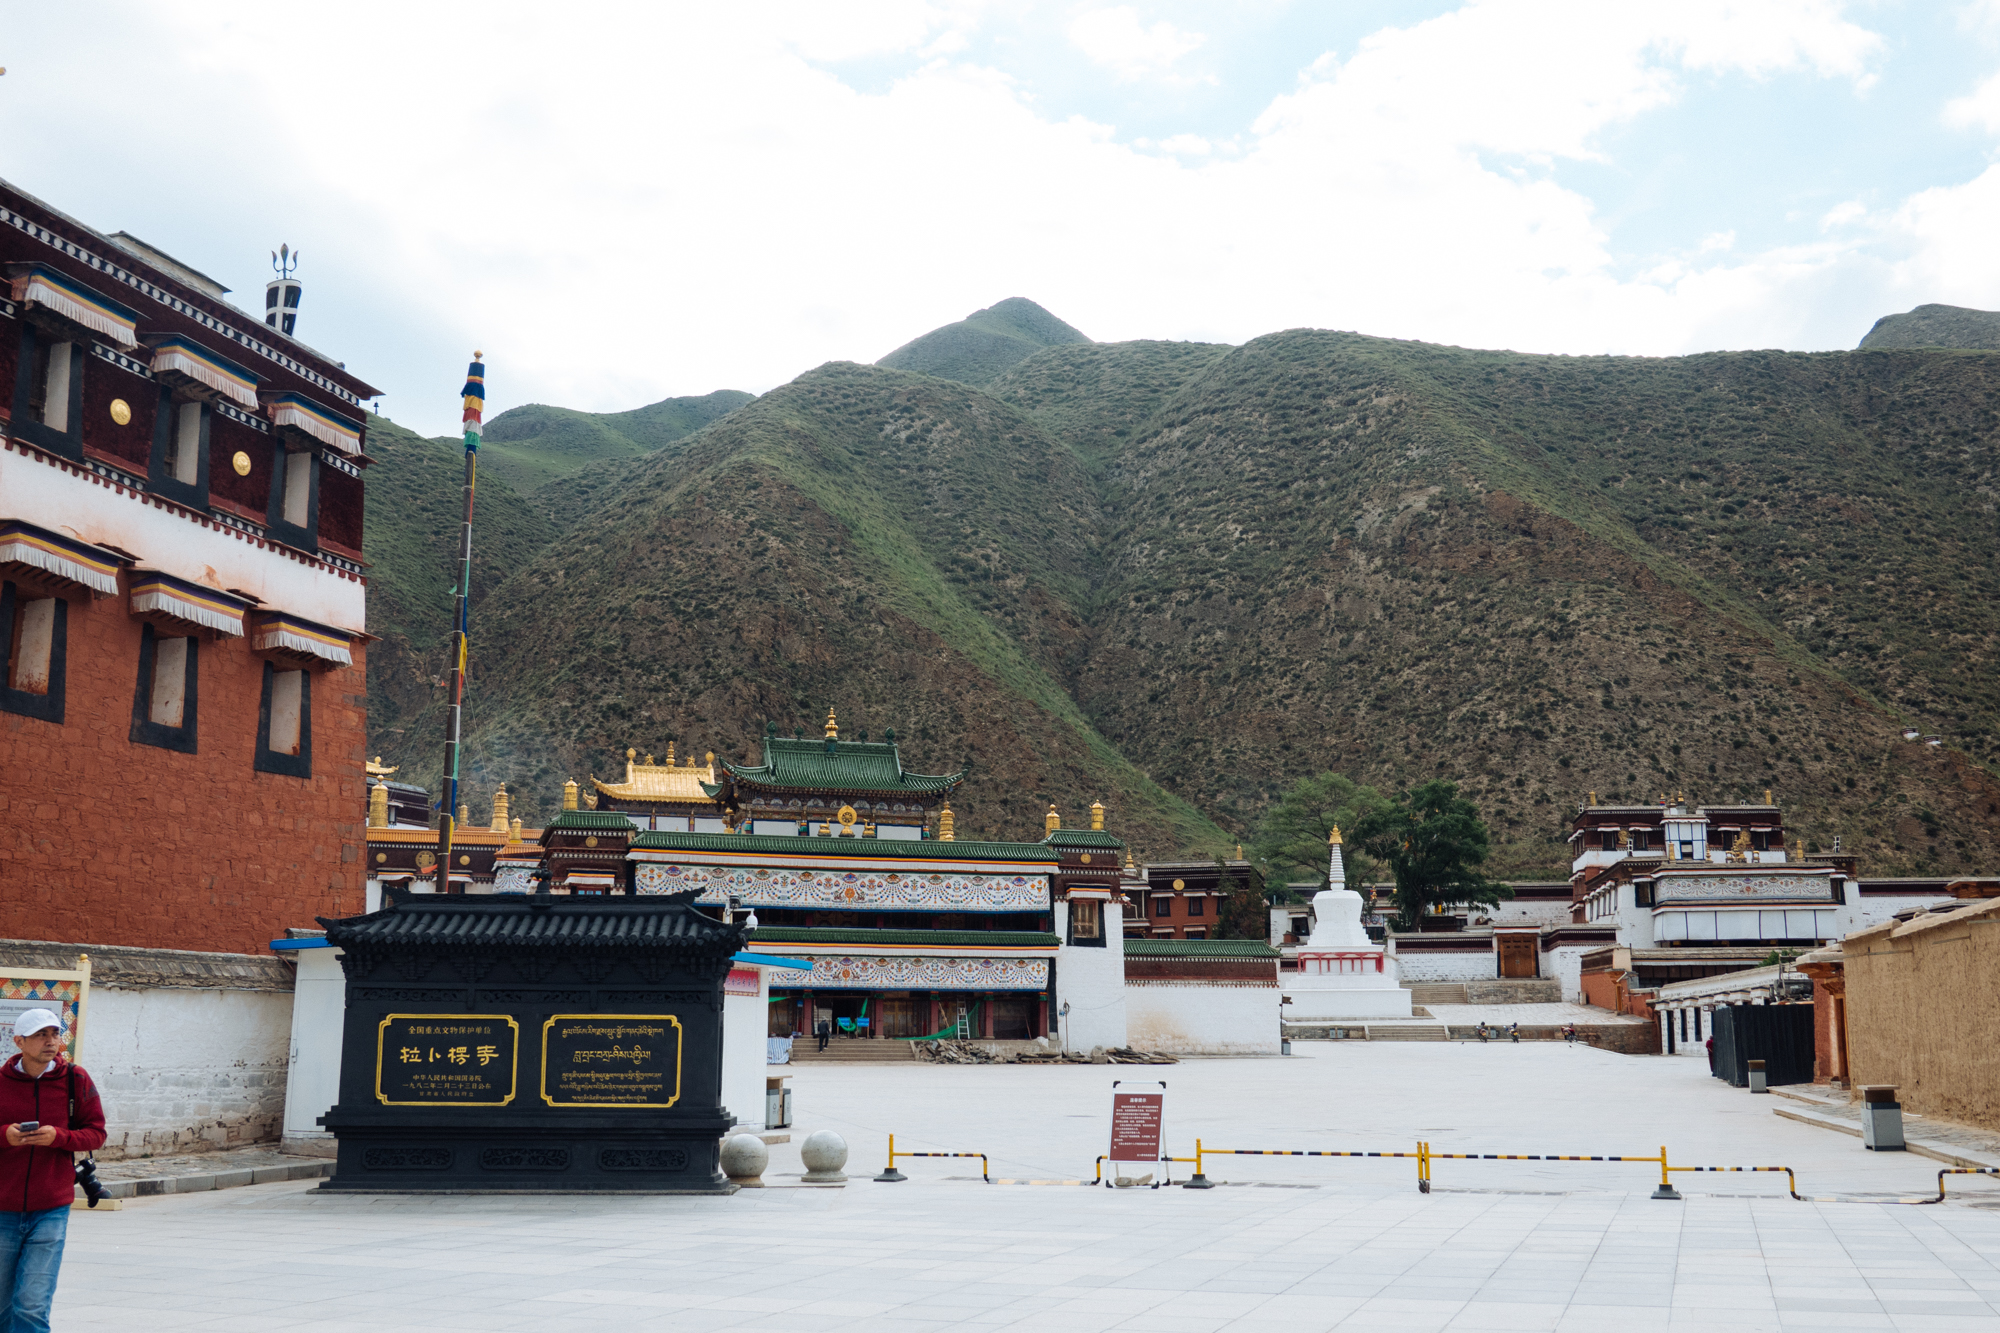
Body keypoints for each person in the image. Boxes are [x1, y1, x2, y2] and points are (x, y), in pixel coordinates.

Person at [2, 1008, 106, 1333]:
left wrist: (59, 1137)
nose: (51, 1041)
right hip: (2, 1208)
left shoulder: (76, 1079)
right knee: (3, 1305)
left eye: (54, 1034)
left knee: (31, 1305)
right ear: (19, 1041)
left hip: (51, 1208)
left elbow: (96, 1133)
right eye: (40, 1035)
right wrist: (5, 1136)